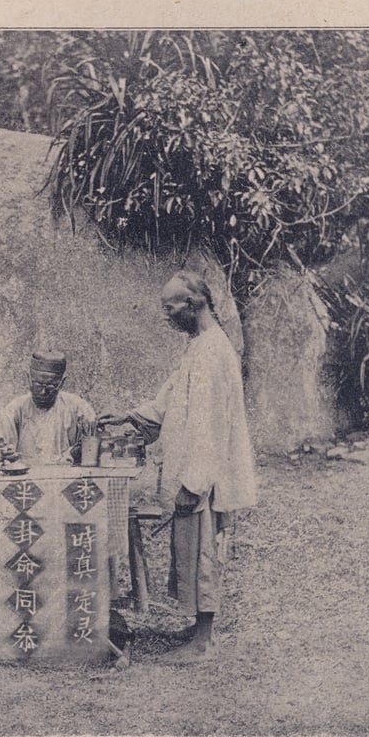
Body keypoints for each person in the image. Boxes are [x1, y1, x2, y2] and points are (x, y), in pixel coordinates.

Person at [99, 272, 258, 663]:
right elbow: (171, 398)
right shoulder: (197, 347)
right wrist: (129, 417)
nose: (166, 314)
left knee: (204, 554)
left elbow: (211, 425)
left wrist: (195, 481)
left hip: (205, 477)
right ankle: (197, 629)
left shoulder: (214, 352)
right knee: (191, 550)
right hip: (194, 473)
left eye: (170, 306)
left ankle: (203, 642)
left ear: (195, 304)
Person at [0, 351, 97, 465]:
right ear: (28, 378)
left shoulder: (78, 408)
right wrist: (3, 454)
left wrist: (77, 452)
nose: (43, 392)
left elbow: (93, 445)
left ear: (62, 383)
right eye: (38, 385)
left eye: (51, 386)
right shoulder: (14, 410)